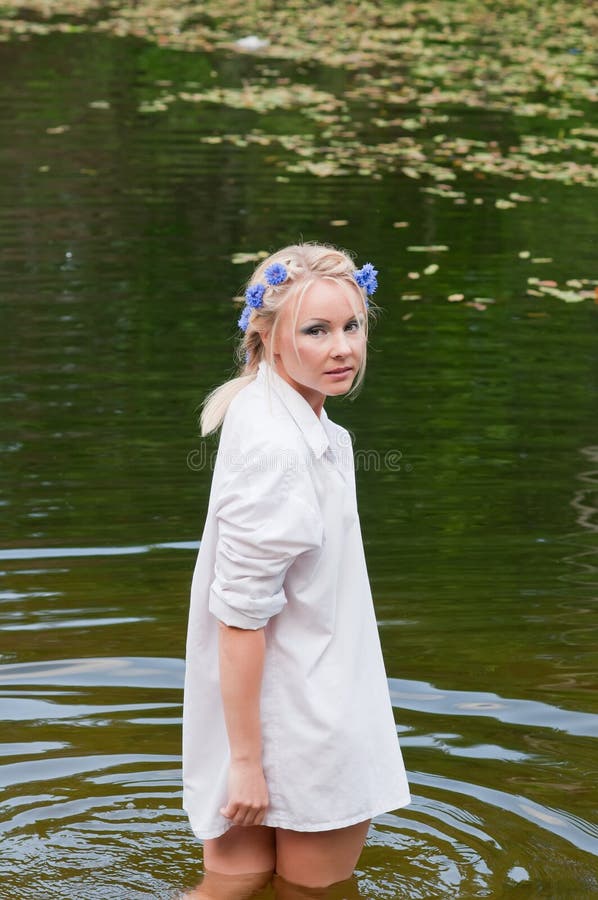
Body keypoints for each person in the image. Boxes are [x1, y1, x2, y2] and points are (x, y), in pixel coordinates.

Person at [182, 242, 411, 898]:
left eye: (353, 326)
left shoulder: (266, 408)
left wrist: (242, 757)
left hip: (251, 719)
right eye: (317, 330)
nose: (343, 348)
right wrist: (251, 767)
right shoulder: (283, 452)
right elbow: (239, 618)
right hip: (308, 726)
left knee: (228, 887)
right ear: (270, 336)